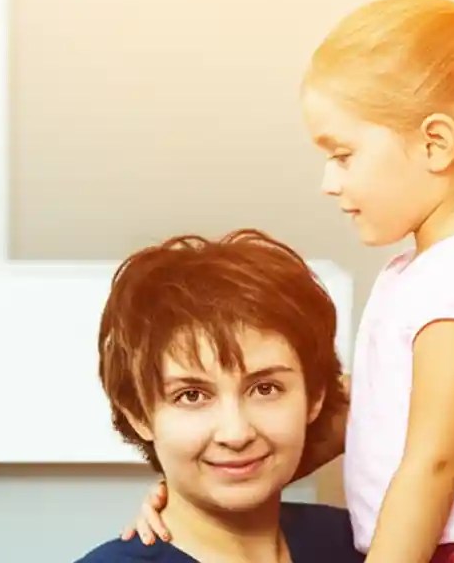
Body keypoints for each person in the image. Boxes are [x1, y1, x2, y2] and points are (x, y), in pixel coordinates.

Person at [125, 0, 454, 562]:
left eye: (342, 155)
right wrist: (188, 507)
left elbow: (433, 464)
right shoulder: (434, 270)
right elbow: (369, 419)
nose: (329, 183)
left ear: (436, 143)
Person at [77, 229, 361, 562]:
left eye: (265, 389)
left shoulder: (362, 542)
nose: (236, 433)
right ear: (139, 414)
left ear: (315, 397)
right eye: (192, 396)